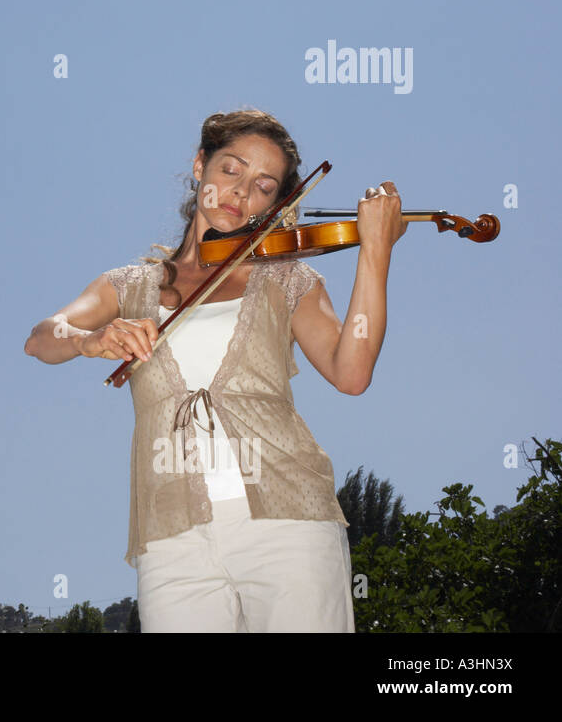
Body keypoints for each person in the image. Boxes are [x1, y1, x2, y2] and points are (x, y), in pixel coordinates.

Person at [22, 109, 406, 632]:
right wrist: (91, 338)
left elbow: (352, 372)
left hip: (289, 522)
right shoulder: (128, 284)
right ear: (200, 165)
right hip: (172, 535)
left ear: (276, 203)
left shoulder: (289, 279)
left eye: (263, 185)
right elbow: (42, 338)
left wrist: (375, 252)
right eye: (231, 169)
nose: (240, 192)